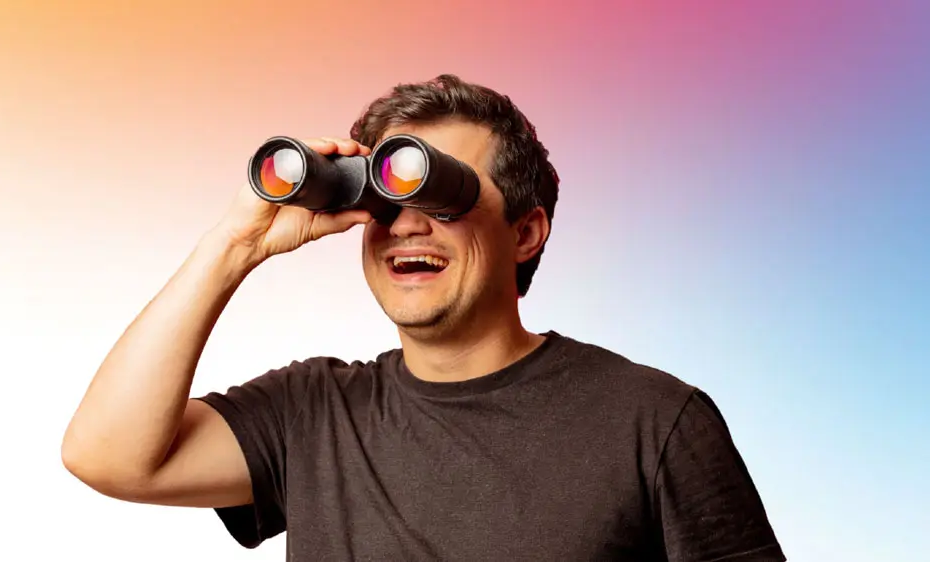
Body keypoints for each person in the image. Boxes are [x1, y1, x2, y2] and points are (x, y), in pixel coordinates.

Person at [61, 74, 786, 561]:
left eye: (443, 199)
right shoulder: (312, 414)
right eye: (382, 202)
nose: (406, 227)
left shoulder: (654, 419)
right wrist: (236, 244)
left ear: (527, 232)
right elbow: (109, 455)